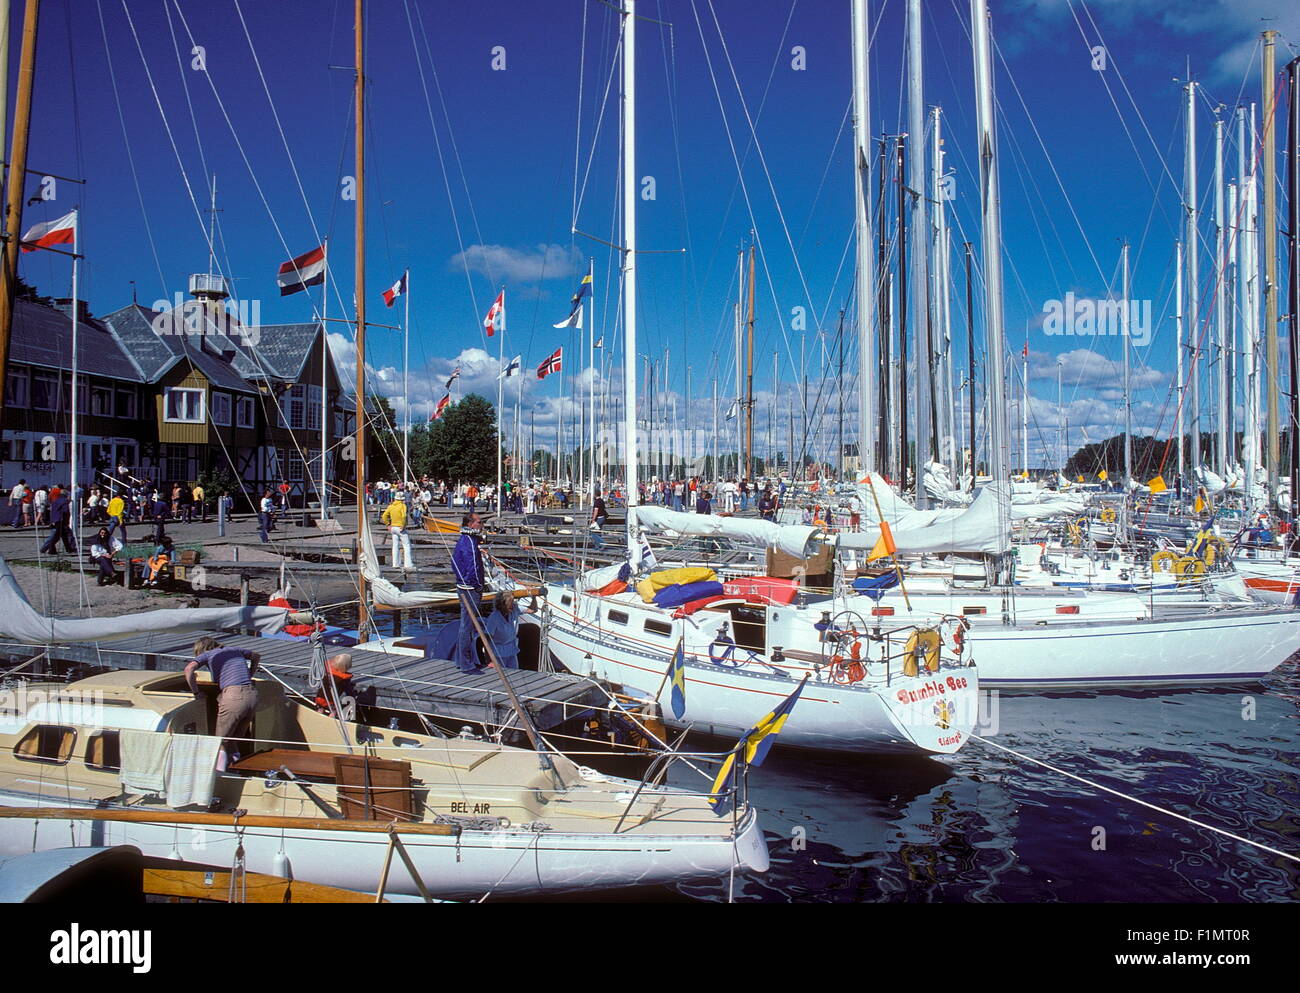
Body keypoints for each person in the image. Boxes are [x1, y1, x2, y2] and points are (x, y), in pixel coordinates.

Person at [184, 636, 261, 772]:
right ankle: (236, 770)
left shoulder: (207, 654)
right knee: (231, 741)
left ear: (201, 649)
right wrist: (249, 673)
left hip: (234, 696)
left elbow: (189, 669)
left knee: (219, 742)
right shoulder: (235, 649)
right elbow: (256, 656)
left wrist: (196, 693)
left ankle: (219, 776)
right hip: (252, 696)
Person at [452, 512, 487, 673]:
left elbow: (454, 563)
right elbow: (473, 566)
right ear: (471, 524)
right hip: (470, 588)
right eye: (479, 522)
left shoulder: (464, 540)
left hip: (463, 585)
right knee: (467, 625)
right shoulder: (469, 543)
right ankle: (466, 663)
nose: (481, 525)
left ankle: (464, 660)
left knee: (466, 625)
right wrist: (479, 585)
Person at [484, 592, 521, 669]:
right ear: (502, 605)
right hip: (499, 653)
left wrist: (533, 597)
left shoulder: (513, 610)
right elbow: (487, 639)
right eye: (510, 603)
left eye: (512, 602)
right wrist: (490, 660)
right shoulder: (494, 617)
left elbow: (532, 610)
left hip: (511, 650)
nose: (512, 605)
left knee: (514, 673)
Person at [314, 652, 357, 718]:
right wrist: (353, 695)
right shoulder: (345, 678)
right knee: (334, 711)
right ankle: (330, 721)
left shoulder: (327, 670)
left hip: (319, 697)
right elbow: (349, 691)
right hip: (331, 701)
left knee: (320, 709)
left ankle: (317, 718)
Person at [381, 490, 413, 570]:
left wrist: (388, 524)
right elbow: (404, 516)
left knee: (395, 545)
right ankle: (408, 564)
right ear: (402, 499)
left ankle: (395, 564)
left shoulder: (391, 506)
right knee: (406, 545)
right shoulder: (403, 506)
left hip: (393, 527)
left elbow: (384, 516)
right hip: (400, 527)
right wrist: (403, 525)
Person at [40, 488, 77, 555]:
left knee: (63, 536)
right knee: (60, 536)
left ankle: (68, 548)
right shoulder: (65, 501)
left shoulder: (55, 501)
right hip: (61, 521)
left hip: (55, 520)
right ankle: (50, 549)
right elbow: (65, 511)